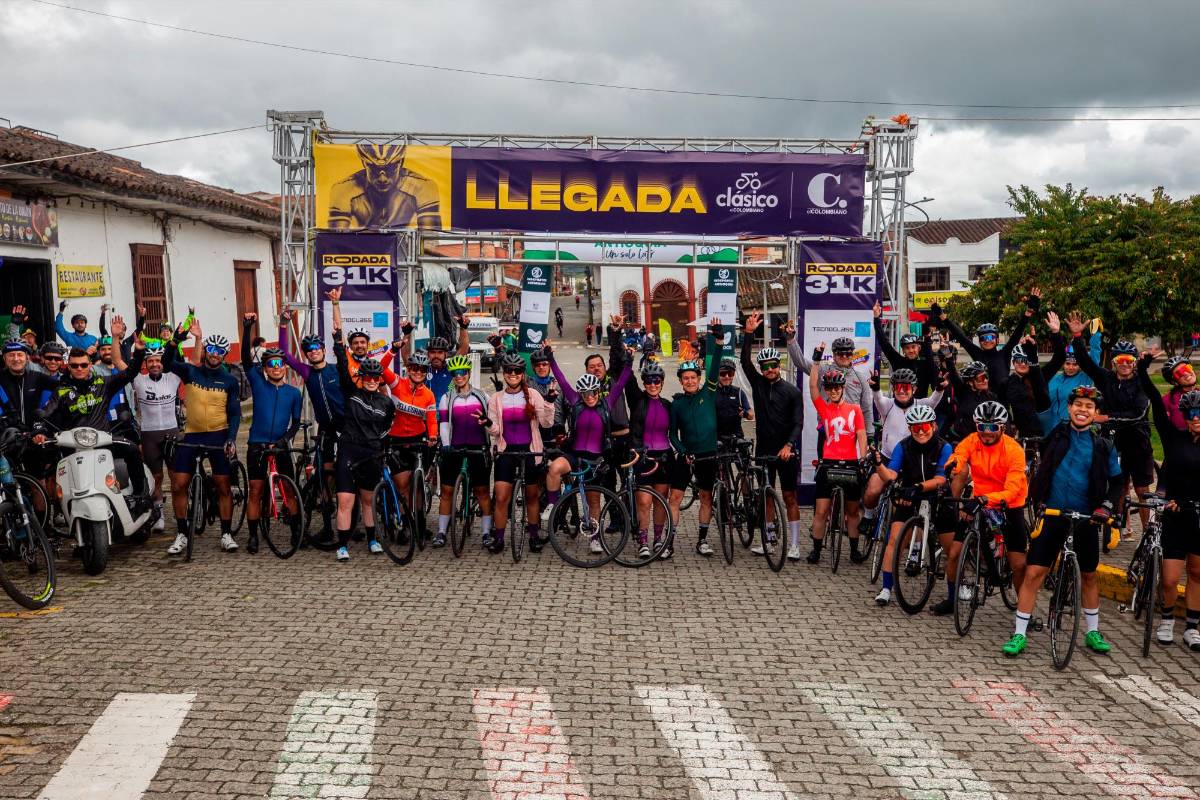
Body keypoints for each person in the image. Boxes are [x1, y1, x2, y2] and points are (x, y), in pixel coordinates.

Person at [1003, 385, 1122, 657]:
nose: (1083, 410)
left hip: (1087, 518)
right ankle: (1019, 633)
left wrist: (1106, 507)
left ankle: (1093, 631)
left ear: (1096, 413)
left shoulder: (1103, 445)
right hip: (1053, 515)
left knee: (1089, 575)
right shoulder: (1055, 434)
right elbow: (1039, 403)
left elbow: (1117, 483)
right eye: (1078, 405)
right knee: (1033, 573)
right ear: (1069, 408)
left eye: (1089, 407)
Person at [1066, 311, 1153, 529]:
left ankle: (1147, 530)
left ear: (1134, 362)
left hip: (1137, 439)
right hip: (1112, 440)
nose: (1124, 364)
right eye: (1120, 360)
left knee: (1142, 490)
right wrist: (1077, 337)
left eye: (1129, 360)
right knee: (1119, 484)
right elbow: (1086, 363)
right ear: (1113, 362)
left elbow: (1139, 412)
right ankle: (1119, 527)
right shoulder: (1106, 378)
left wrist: (1107, 417)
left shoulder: (1141, 382)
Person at [543, 343, 633, 553]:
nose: (590, 396)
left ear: (599, 390)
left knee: (593, 501)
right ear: (580, 393)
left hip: (595, 460)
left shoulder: (607, 402)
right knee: (554, 469)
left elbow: (621, 381)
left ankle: (595, 538)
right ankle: (552, 505)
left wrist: (629, 360)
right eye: (585, 393)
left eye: (593, 392)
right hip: (574, 455)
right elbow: (562, 379)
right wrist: (550, 357)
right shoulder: (575, 401)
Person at [1138, 350, 1200, 650]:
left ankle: (1192, 627)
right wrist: (1143, 366)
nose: (1196, 419)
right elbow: (1152, 396)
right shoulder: (1173, 437)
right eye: (1191, 414)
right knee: (1170, 578)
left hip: (1198, 515)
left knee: (1197, 573)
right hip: (1176, 512)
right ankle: (1166, 620)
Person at [163, 321, 243, 555]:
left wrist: (231, 439)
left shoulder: (230, 380)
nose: (215, 354)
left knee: (223, 486)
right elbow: (167, 363)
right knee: (178, 484)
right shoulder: (191, 371)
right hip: (192, 434)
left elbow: (235, 413)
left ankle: (226, 534)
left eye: (220, 351)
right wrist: (175, 340)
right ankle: (181, 533)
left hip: (219, 435)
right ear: (206, 350)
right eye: (212, 349)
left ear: (225, 355)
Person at [943, 401, 1030, 616]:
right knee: (953, 553)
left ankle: (1024, 612)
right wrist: (953, 464)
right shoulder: (973, 440)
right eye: (982, 427)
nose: (987, 432)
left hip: (1009, 504)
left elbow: (1012, 490)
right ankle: (951, 599)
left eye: (993, 427)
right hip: (980, 500)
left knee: (1018, 565)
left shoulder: (1014, 450)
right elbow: (960, 454)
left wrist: (986, 499)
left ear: (1002, 428)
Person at [41, 342, 151, 509]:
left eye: (83, 365)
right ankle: (60, 509)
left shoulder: (103, 383)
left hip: (103, 441)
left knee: (133, 449)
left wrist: (140, 351)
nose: (79, 368)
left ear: (90, 365)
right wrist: (38, 429)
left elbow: (130, 373)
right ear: (68, 367)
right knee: (54, 468)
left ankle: (141, 496)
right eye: (74, 365)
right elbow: (45, 412)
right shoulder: (61, 390)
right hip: (74, 446)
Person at [871, 404, 955, 606]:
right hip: (910, 495)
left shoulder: (944, 447)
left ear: (933, 426)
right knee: (894, 540)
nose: (920, 431)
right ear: (909, 428)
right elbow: (891, 475)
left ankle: (955, 591)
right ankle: (886, 588)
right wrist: (878, 465)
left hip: (938, 496)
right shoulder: (903, 446)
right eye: (915, 427)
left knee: (953, 550)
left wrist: (919, 486)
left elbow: (941, 479)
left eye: (924, 426)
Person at [331, 327, 398, 562]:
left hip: (371, 454)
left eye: (375, 378)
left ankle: (372, 540)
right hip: (349, 451)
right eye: (367, 377)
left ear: (380, 380)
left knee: (369, 502)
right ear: (361, 378)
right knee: (346, 502)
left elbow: (387, 429)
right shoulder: (352, 393)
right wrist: (338, 342)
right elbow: (343, 367)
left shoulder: (386, 403)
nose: (371, 381)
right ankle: (342, 546)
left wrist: (384, 450)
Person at [741, 313, 804, 559]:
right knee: (766, 495)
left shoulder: (792, 392)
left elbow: (798, 423)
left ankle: (795, 544)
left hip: (785, 450)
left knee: (789, 496)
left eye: (773, 366)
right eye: (765, 367)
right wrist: (748, 333)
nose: (769, 370)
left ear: (779, 366)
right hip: (764, 449)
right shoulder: (757, 384)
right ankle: (769, 540)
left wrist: (789, 445)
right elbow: (745, 362)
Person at [240, 313, 303, 554]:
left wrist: (285, 440)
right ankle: (253, 536)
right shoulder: (258, 383)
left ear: (285, 367)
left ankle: (296, 531)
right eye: (271, 365)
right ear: (265, 369)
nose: (276, 368)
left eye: (280, 364)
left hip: (280, 445)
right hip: (257, 444)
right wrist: (248, 328)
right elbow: (246, 360)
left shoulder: (294, 393)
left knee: (289, 490)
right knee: (255, 491)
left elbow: (296, 423)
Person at [279, 311, 344, 542]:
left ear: (324, 350)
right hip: (325, 430)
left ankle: (351, 523)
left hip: (345, 428)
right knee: (324, 477)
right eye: (309, 349)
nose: (313, 351)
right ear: (306, 355)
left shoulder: (336, 369)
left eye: (317, 347)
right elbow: (285, 355)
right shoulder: (307, 373)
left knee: (347, 476)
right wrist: (283, 325)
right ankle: (327, 526)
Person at [486, 353, 555, 553]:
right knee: (501, 498)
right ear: (504, 373)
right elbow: (496, 431)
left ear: (523, 373)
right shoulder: (496, 398)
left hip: (530, 452)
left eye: (517, 371)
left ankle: (533, 536)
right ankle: (499, 538)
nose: (513, 374)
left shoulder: (533, 395)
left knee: (531, 497)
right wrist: (488, 423)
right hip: (506, 452)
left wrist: (549, 402)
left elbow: (546, 423)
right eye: (509, 370)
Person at [667, 318, 724, 558]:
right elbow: (672, 434)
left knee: (705, 497)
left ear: (699, 380)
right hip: (687, 455)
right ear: (681, 381)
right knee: (675, 498)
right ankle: (668, 542)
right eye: (686, 378)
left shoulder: (709, 392)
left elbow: (715, 366)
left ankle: (702, 540)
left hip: (708, 454)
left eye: (693, 378)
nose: (690, 381)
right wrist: (682, 451)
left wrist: (718, 342)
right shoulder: (677, 405)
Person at [861, 367, 944, 530]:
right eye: (897, 387)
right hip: (887, 458)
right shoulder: (888, 405)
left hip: (910, 461)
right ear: (893, 389)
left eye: (906, 387)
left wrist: (940, 388)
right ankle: (868, 516)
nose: (901, 391)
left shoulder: (922, 405)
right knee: (872, 490)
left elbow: (934, 400)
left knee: (908, 502)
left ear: (914, 388)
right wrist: (875, 388)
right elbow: (878, 398)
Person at [807, 355, 869, 564]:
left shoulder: (855, 409)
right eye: (829, 388)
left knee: (852, 512)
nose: (833, 391)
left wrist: (863, 458)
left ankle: (854, 550)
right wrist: (816, 362)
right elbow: (813, 388)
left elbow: (861, 435)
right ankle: (816, 550)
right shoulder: (824, 408)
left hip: (851, 464)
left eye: (836, 387)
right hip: (828, 463)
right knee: (821, 511)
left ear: (843, 388)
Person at [435, 354, 493, 548]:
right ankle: (441, 532)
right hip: (454, 448)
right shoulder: (447, 398)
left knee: (482, 492)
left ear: (468, 373)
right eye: (455, 373)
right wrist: (446, 445)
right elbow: (444, 424)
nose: (459, 376)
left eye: (462, 372)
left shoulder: (482, 396)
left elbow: (493, 421)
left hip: (478, 448)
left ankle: (486, 533)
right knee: (447, 491)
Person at [927, 288, 1040, 386]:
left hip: (1003, 402)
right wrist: (942, 315)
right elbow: (961, 337)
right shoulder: (977, 354)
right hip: (983, 401)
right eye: (983, 338)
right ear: (979, 341)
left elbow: (1017, 334)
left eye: (990, 337)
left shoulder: (1005, 354)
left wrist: (1028, 313)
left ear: (997, 340)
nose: (987, 341)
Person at [786, 330, 874, 451]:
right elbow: (800, 363)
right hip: (826, 431)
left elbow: (867, 408)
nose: (844, 356)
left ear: (852, 355)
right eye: (840, 353)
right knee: (825, 463)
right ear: (833, 355)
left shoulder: (860, 378)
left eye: (848, 353)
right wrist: (791, 340)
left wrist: (870, 435)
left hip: (851, 433)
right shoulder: (824, 371)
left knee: (851, 462)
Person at [126, 342, 181, 532]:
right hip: (150, 435)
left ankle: (180, 513)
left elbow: (196, 361)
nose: (155, 364)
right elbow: (117, 361)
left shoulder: (172, 378)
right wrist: (116, 338)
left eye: (158, 360)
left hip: (171, 432)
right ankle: (159, 514)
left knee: (176, 478)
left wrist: (197, 340)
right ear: (145, 364)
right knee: (156, 478)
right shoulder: (139, 380)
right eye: (151, 361)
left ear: (163, 362)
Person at [384, 348, 439, 533]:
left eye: (422, 369)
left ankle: (420, 523)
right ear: (408, 369)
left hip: (418, 440)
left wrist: (433, 436)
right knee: (403, 486)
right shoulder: (397, 383)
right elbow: (381, 368)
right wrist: (393, 351)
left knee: (418, 486)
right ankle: (404, 523)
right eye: (415, 368)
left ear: (426, 372)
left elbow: (432, 420)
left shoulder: (428, 395)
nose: (418, 372)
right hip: (396, 439)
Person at [623, 359, 673, 559]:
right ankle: (643, 541)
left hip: (664, 457)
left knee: (661, 501)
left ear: (662, 382)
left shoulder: (668, 405)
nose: (653, 385)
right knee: (644, 501)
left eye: (657, 381)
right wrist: (627, 359)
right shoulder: (637, 400)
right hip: (642, 457)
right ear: (644, 383)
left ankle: (658, 539)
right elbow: (628, 380)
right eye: (649, 381)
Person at [327, 143, 442, 229]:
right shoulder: (343, 189)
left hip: (402, 249)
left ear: (401, 163)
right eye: (374, 169)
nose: (382, 179)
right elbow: (336, 240)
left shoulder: (423, 187)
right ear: (364, 164)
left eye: (390, 169)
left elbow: (428, 241)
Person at [1038, 312, 1091, 434]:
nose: (1071, 367)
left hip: (1073, 428)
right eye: (1067, 363)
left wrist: (1095, 337)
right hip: (1050, 428)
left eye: (1075, 364)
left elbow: (1093, 361)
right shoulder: (1054, 378)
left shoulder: (1085, 378)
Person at [872, 302, 938, 397]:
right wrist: (876, 318)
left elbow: (936, 385)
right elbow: (884, 343)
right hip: (899, 404)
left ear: (919, 348)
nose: (911, 350)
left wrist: (928, 338)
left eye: (913, 347)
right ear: (903, 350)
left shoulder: (926, 364)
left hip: (919, 405)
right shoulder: (898, 361)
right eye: (907, 348)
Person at [1000, 343, 1049, 439]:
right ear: (1013, 362)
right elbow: (1003, 404)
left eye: (1026, 361)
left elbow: (1058, 359)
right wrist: (1011, 422)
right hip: (1021, 433)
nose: (1022, 364)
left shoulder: (1039, 378)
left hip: (1043, 430)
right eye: (1019, 360)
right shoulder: (1006, 382)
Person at [946, 360, 996, 442]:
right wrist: (949, 357)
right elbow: (954, 376)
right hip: (962, 439)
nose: (985, 380)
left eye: (986, 376)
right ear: (970, 382)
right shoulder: (963, 393)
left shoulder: (991, 397)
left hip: (982, 439)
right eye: (981, 378)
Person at [714, 358, 752, 440]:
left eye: (730, 374)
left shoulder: (739, 392)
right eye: (723, 374)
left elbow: (751, 415)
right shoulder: (711, 393)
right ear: (717, 374)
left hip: (736, 437)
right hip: (715, 438)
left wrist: (745, 413)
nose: (727, 377)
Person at [1160, 354, 1198, 432]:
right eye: (1179, 373)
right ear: (1174, 382)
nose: (1186, 374)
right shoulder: (1167, 401)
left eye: (1187, 368)